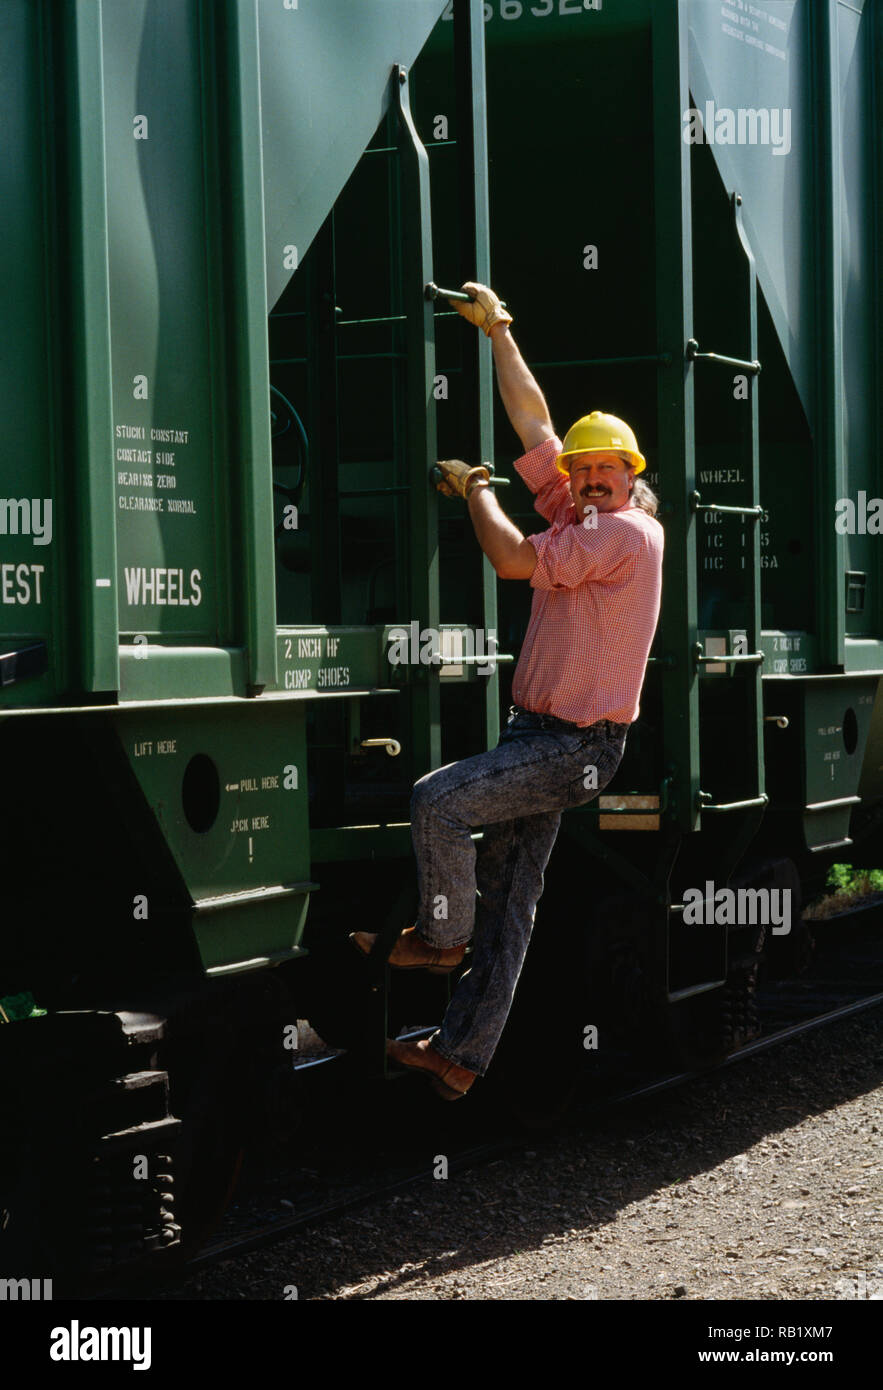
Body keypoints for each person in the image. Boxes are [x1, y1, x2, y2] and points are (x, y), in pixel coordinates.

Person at [352, 282, 664, 1099]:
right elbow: (536, 425)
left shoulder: (621, 531)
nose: (591, 478)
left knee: (438, 802)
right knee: (513, 905)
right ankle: (459, 1058)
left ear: (631, 477)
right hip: (544, 738)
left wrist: (476, 488)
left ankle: (440, 939)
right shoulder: (580, 513)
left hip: (575, 746)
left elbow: (511, 562)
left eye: (607, 469)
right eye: (584, 469)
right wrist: (498, 330)